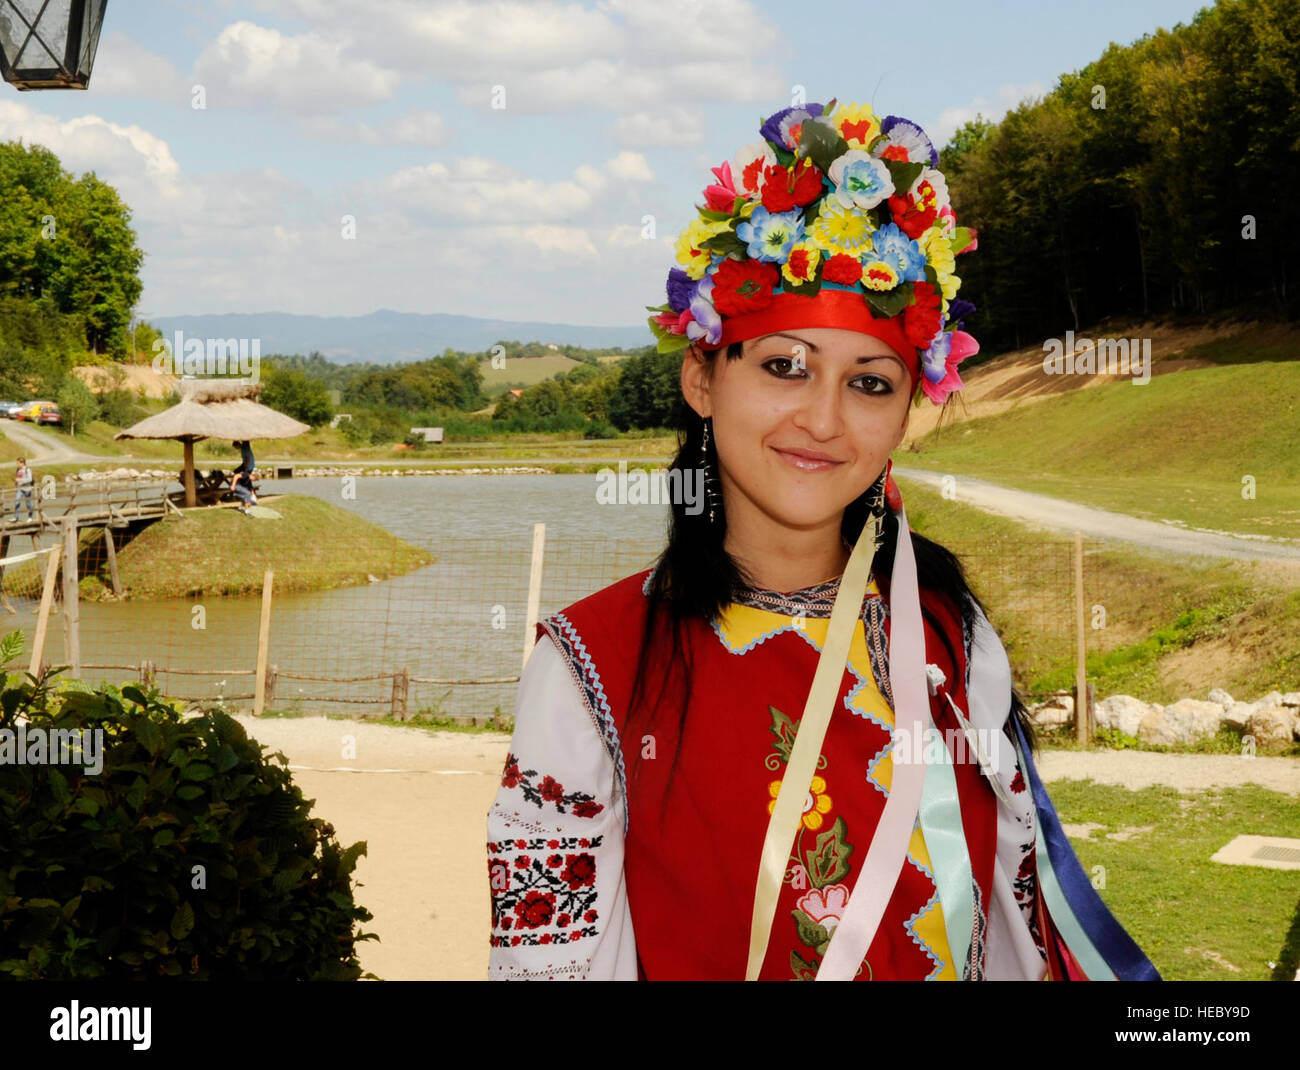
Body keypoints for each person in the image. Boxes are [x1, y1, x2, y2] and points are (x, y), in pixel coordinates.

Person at [485, 99, 1159, 981]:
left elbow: (1016, 928)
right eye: (782, 367)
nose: (823, 420)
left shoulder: (951, 637)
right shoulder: (592, 673)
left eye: (871, 384)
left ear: (905, 414)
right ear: (701, 377)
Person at [229, 440, 258, 513]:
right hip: (246, 466)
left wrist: (245, 469)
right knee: (239, 474)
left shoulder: (245, 449)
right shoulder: (243, 449)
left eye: (236, 447)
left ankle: (252, 497)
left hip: (249, 467)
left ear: (238, 445)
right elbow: (245, 460)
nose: (236, 449)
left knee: (246, 481)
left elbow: (247, 460)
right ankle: (244, 504)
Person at [12, 457, 34, 523]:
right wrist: (16, 482)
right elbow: (18, 478)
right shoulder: (18, 469)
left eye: (18, 463)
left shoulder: (28, 469)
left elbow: (30, 479)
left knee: (28, 503)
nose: (17, 464)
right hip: (20, 488)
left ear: (22, 463)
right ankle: (16, 517)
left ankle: (30, 517)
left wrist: (20, 480)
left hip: (27, 488)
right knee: (17, 501)